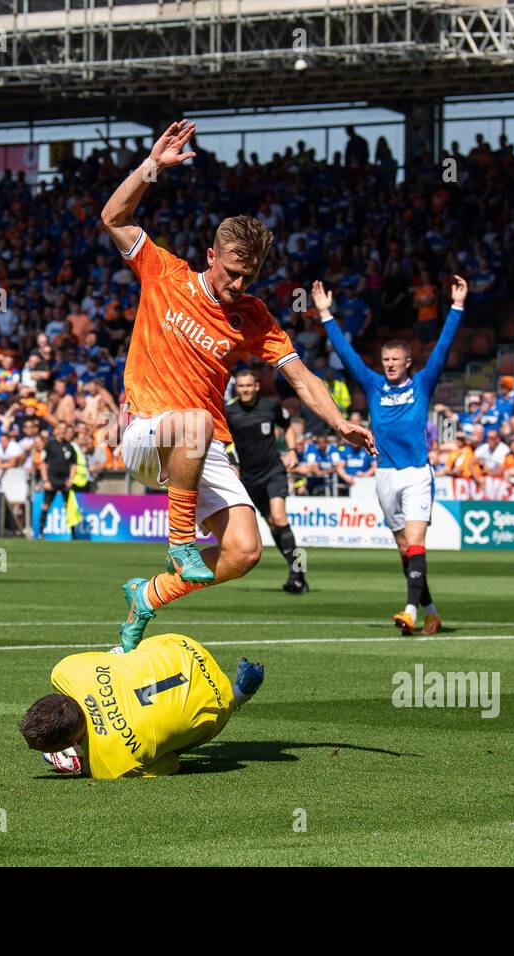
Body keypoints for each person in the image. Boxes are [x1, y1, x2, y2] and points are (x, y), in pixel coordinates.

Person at [99, 120, 374, 651]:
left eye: (249, 276)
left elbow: (299, 374)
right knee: (196, 422)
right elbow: (113, 216)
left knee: (245, 550)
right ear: (211, 257)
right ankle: (179, 541)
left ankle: (148, 596)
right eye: (231, 272)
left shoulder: (253, 316)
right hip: (146, 431)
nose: (238, 284)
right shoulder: (165, 274)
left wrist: (339, 422)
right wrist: (152, 166)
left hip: (204, 446)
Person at [318, 275, 468, 635]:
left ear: (408, 361)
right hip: (385, 475)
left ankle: (410, 611)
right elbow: (347, 355)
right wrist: (325, 313)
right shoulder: (372, 384)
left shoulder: (422, 382)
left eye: (395, 359)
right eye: (385, 358)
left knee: (416, 543)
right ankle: (431, 611)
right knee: (404, 549)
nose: (388, 363)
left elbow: (444, 346)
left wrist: (457, 307)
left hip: (417, 473)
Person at [18, 633, 265, 779]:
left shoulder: (110, 766)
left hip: (218, 700)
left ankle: (237, 695)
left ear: (70, 742)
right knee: (118, 656)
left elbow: (171, 764)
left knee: (165, 745)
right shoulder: (65, 672)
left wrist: (88, 760)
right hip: (184, 647)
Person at [225, 369, 305, 592]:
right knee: (273, 525)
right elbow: (222, 441)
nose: (245, 390)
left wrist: (291, 450)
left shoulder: (270, 406)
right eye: (241, 386)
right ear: (236, 388)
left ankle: (298, 571)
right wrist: (232, 462)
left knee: (279, 518)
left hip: (273, 470)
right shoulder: (229, 412)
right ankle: (297, 568)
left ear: (257, 386)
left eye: (249, 386)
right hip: (248, 478)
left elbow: (287, 425)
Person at [36, 422, 76, 538]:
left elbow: (73, 464)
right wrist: (45, 480)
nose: (63, 431)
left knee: (69, 506)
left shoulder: (70, 446)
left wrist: (71, 479)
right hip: (52, 480)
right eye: (61, 428)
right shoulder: (50, 445)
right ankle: (40, 532)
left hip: (65, 481)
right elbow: (44, 463)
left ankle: (73, 533)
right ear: (56, 430)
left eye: (65, 429)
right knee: (46, 505)